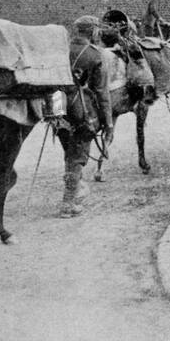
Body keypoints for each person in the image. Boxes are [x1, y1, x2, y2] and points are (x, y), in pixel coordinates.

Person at [59, 16, 114, 217]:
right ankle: (68, 203)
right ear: (94, 32)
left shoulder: (62, 50)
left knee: (69, 151)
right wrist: (108, 122)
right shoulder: (95, 55)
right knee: (78, 154)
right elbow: (102, 92)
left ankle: (75, 190)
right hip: (82, 110)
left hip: (57, 108)